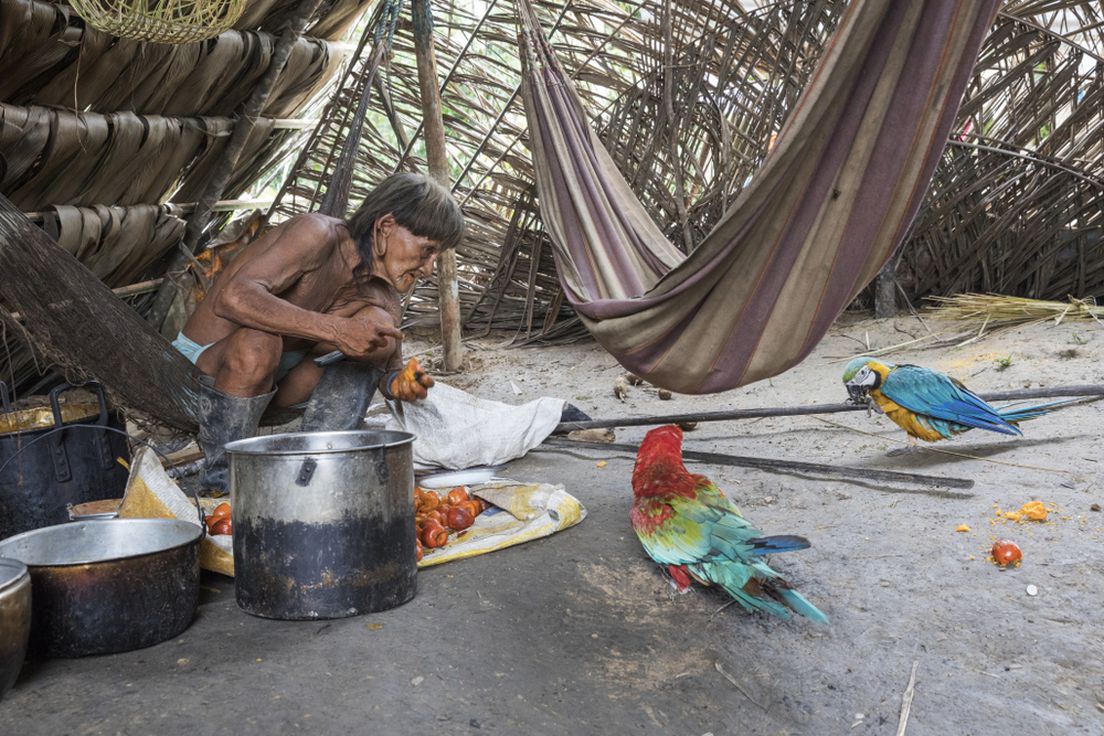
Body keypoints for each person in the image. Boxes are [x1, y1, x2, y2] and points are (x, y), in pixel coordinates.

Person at [172, 172, 465, 490]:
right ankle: (222, 482)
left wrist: (401, 384)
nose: (428, 269)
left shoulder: (386, 298)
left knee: (377, 331)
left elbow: (388, 371)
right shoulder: (317, 234)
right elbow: (234, 297)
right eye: (427, 251)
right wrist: (336, 330)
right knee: (259, 340)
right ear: (385, 228)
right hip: (200, 378)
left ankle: (319, 471)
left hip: (274, 393)